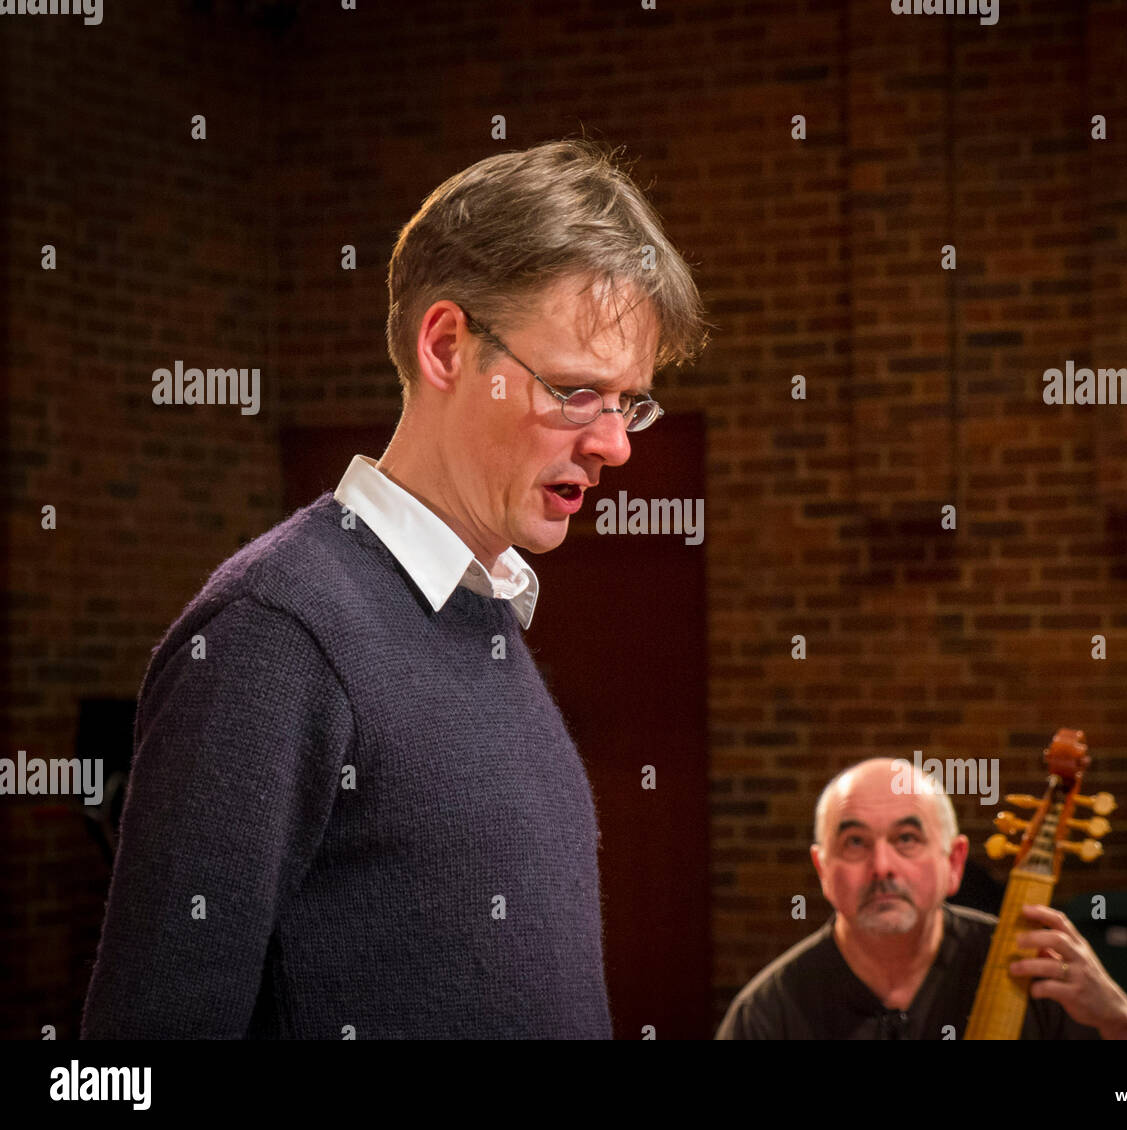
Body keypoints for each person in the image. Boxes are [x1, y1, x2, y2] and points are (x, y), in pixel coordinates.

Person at [81, 138, 709, 1038]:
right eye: (576, 391)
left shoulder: (483, 610)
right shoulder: (275, 632)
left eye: (630, 402)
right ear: (447, 345)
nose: (617, 445)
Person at [716, 758, 1127, 1039]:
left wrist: (1120, 1020)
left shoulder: (1034, 970)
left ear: (954, 863)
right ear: (822, 871)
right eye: (855, 843)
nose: (882, 867)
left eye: (907, 838)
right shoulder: (767, 1014)